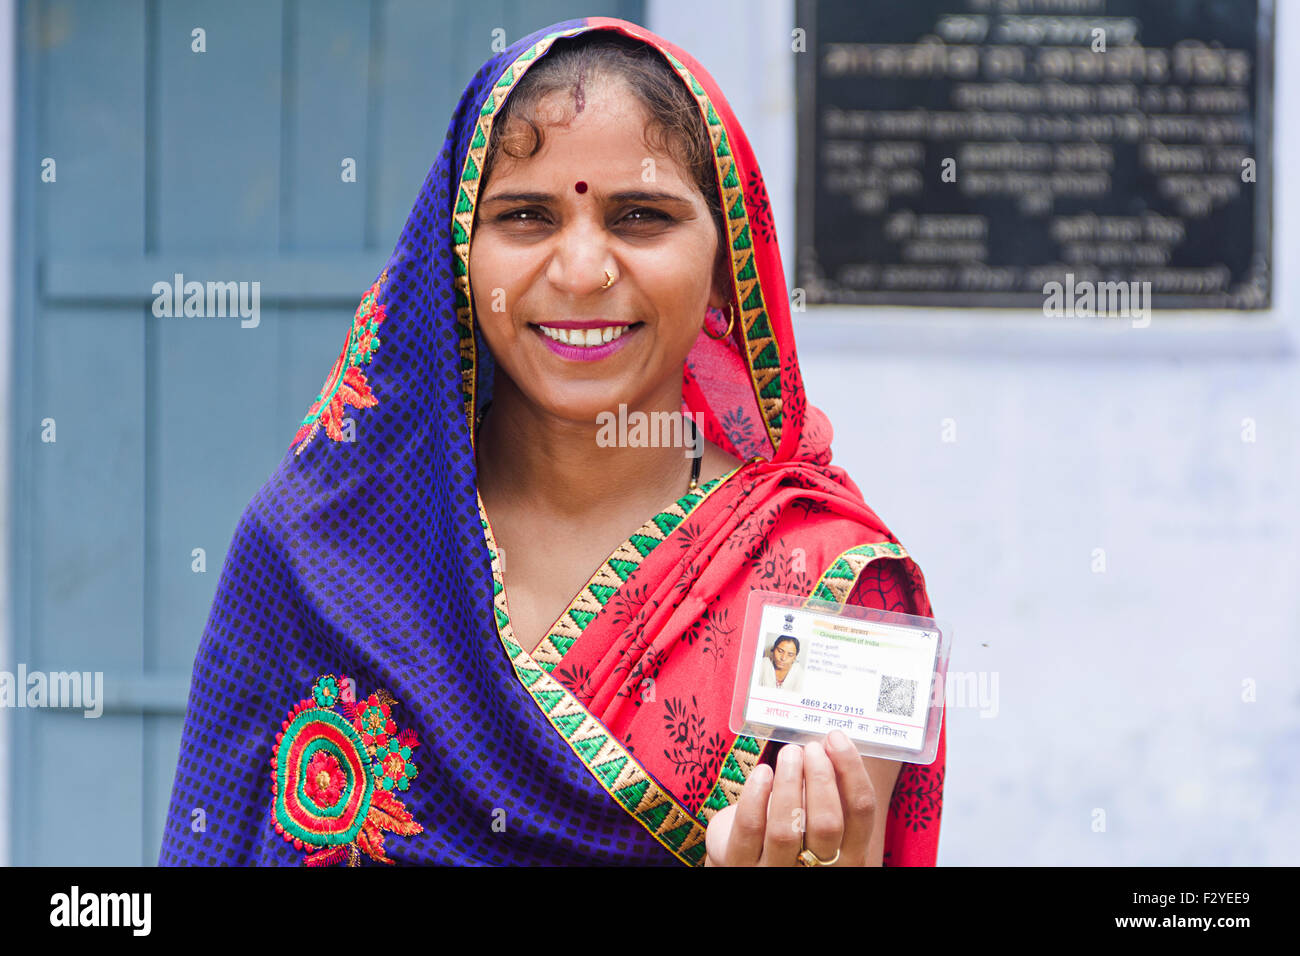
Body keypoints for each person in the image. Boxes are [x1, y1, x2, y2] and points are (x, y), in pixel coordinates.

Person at [158, 17, 945, 868]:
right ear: (456, 252)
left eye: (641, 216)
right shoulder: (316, 553)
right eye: (525, 216)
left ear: (728, 262)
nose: (580, 272)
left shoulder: (837, 587)